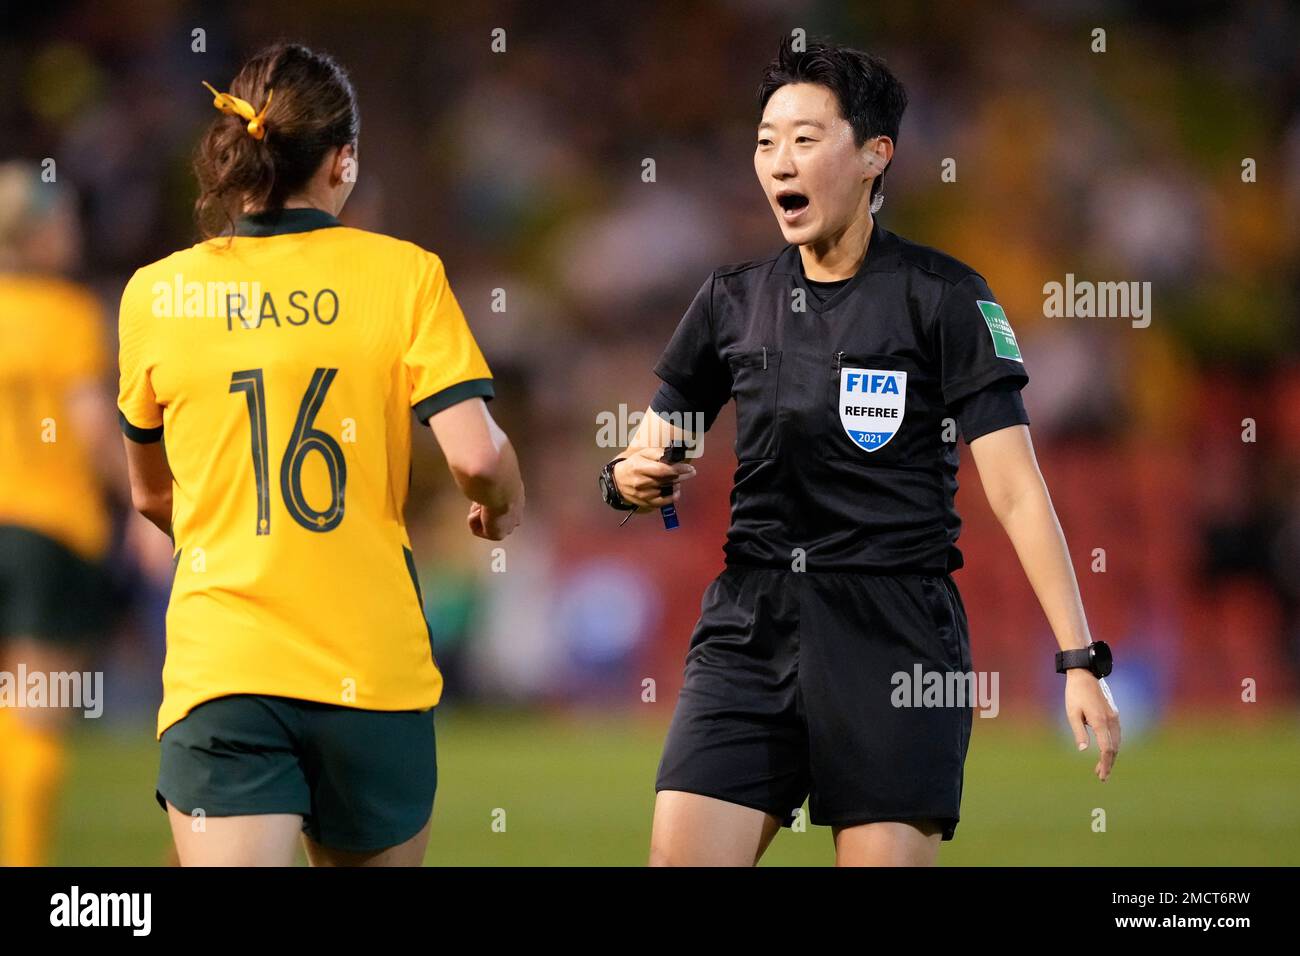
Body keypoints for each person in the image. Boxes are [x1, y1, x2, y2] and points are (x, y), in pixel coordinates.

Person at [599, 36, 1120, 866]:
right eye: (767, 140)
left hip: (895, 638)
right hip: (750, 630)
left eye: (806, 138)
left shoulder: (944, 297)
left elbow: (1018, 490)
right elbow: (643, 456)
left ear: (876, 154)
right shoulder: (731, 301)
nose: (779, 160)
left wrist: (1078, 659)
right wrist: (627, 480)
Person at [117, 43, 524, 866]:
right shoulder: (403, 274)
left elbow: (152, 498)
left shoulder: (156, 292)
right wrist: (502, 504)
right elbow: (477, 459)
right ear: (343, 162)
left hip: (225, 666)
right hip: (369, 671)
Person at [0, 161, 125, 866]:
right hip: (49, 532)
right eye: (64, 221)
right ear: (39, 234)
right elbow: (88, 425)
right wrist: (144, 505)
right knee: (37, 713)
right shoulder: (68, 314)